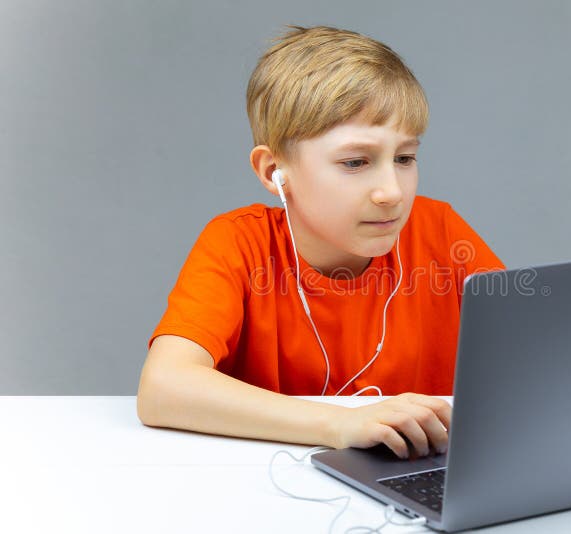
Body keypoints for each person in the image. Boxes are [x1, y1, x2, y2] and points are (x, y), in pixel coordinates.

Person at [137, 25, 505, 460]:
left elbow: (538, 351)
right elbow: (163, 387)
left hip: (411, 477)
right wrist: (342, 423)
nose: (391, 191)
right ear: (274, 170)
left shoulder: (439, 229)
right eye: (355, 162)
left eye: (405, 158)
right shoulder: (238, 243)